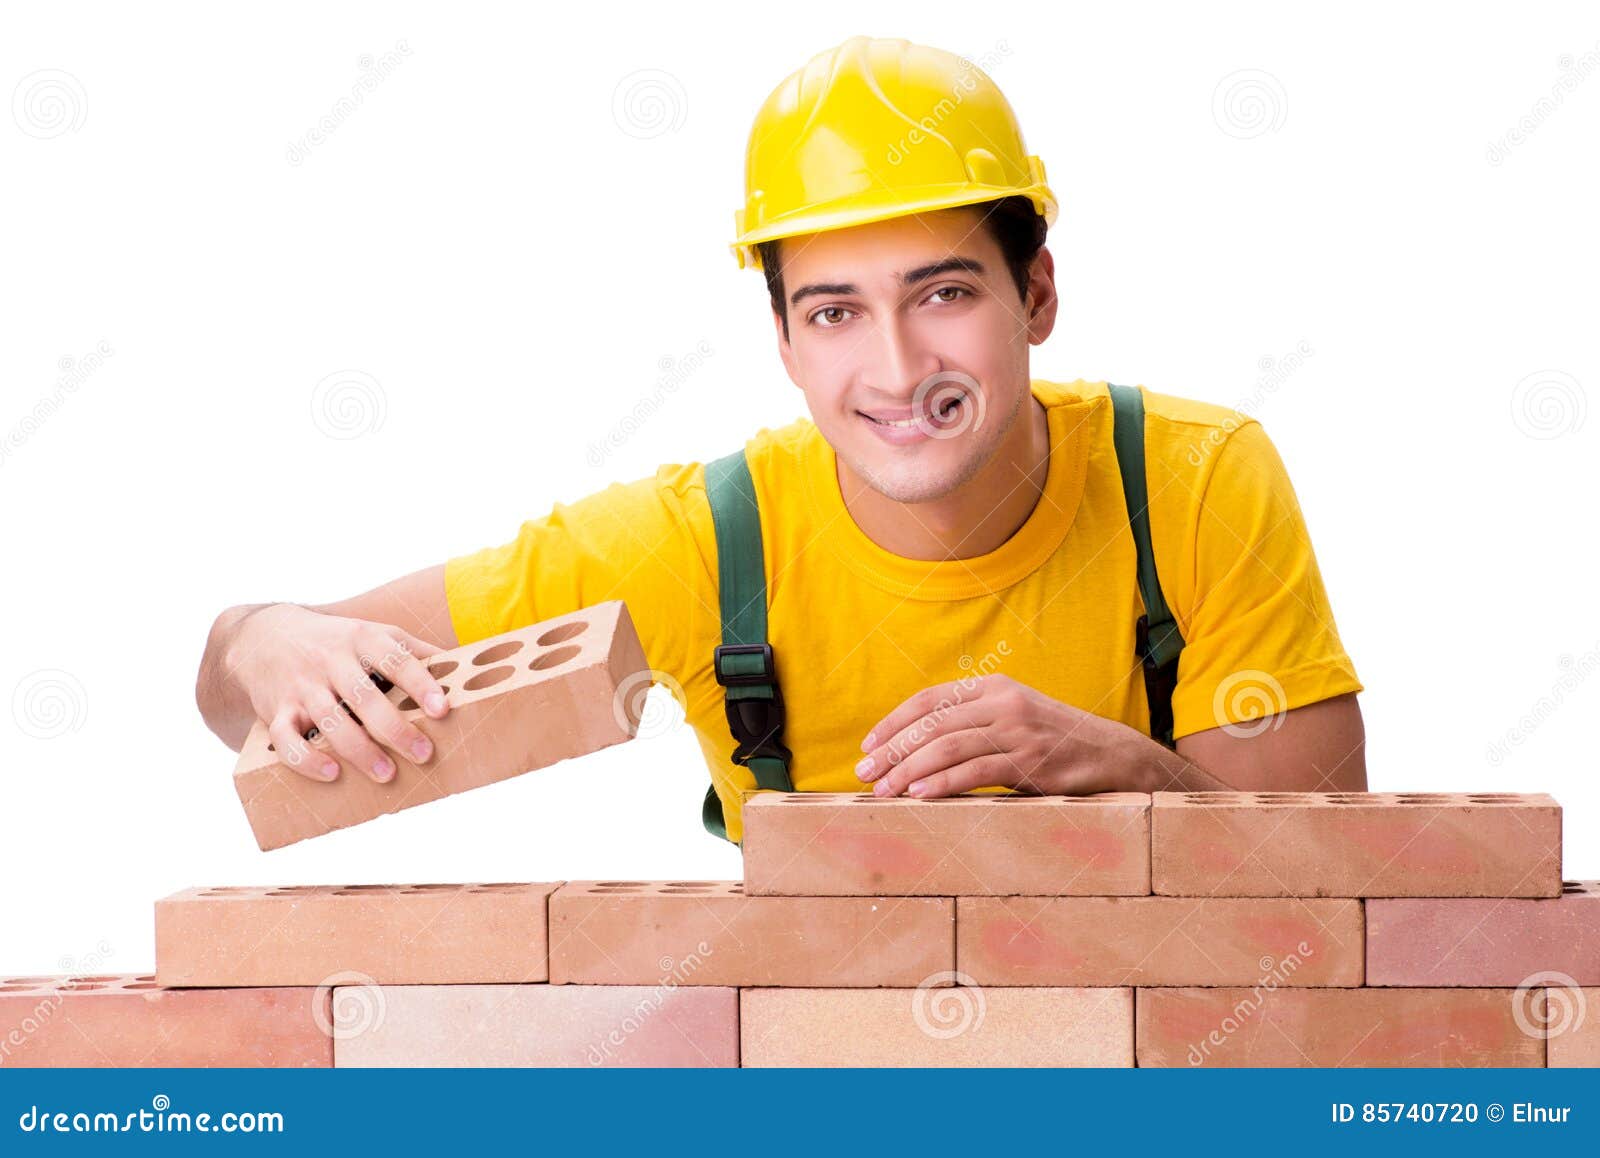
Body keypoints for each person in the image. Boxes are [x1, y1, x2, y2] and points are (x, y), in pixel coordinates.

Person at [195, 35, 1365, 846]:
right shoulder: (706, 545)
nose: (900, 369)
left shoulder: (1194, 480)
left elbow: (1346, 887)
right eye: (837, 311)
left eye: (944, 293)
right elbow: (251, 698)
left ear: (1037, 296)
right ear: (785, 342)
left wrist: (1110, 765)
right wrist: (262, 641)